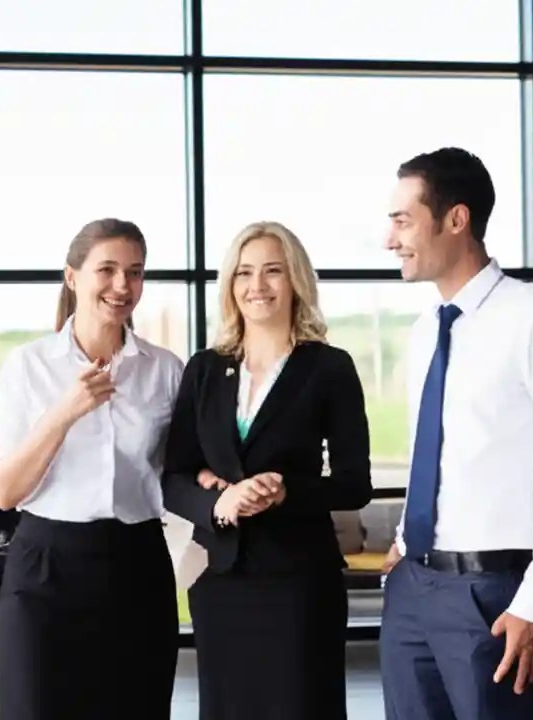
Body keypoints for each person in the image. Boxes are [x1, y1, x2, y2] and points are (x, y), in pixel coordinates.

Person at [379, 147, 533, 719]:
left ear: (457, 218)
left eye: (403, 220)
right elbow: (443, 449)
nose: (390, 239)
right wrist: (406, 539)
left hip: (493, 596)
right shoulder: (427, 328)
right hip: (413, 588)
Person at [163, 220, 373, 720]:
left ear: (295, 279)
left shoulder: (329, 368)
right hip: (219, 581)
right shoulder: (206, 370)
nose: (257, 286)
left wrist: (285, 493)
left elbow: (354, 483)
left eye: (272, 271)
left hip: (298, 582)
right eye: (244, 273)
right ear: (231, 285)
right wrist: (218, 502)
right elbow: (172, 477)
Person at [0, 218, 185, 720]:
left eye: (135, 272)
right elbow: (4, 492)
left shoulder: (164, 370)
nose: (122, 286)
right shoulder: (28, 366)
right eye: (108, 269)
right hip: (45, 571)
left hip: (137, 567)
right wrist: (66, 410)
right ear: (72, 277)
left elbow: (182, 473)